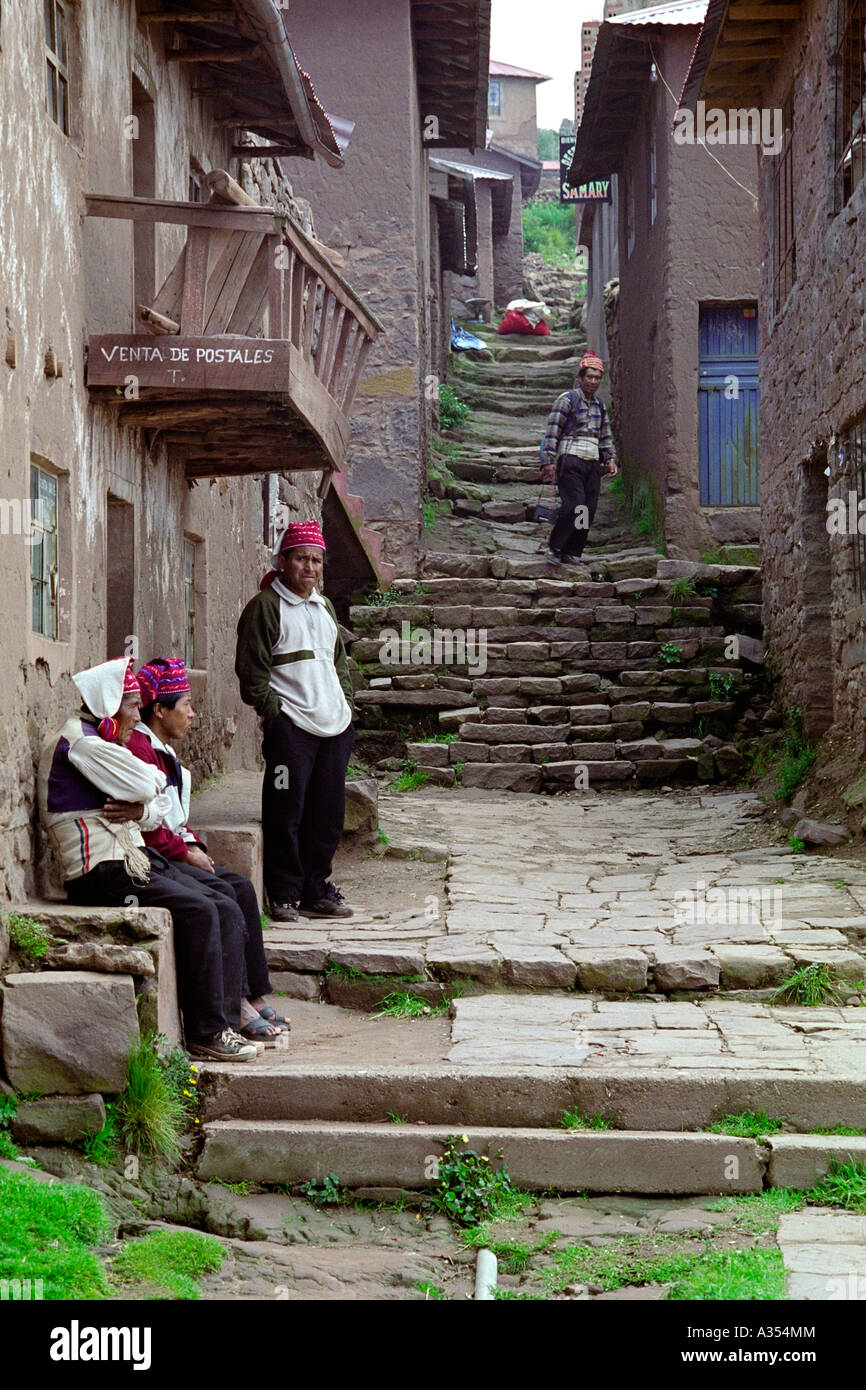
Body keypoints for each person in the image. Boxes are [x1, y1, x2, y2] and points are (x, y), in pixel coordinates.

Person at [37, 656, 258, 1063]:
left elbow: (154, 805)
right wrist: (146, 790)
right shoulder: (84, 744)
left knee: (223, 902)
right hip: (99, 872)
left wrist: (140, 807)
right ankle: (205, 1031)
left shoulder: (104, 741)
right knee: (199, 909)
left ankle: (224, 1024)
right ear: (109, 705)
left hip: (128, 857)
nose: (137, 716)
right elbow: (146, 782)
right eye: (131, 706)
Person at [127, 657, 288, 1048]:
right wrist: (186, 853)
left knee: (243, 889)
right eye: (186, 706)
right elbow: (151, 827)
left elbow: (177, 817)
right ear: (160, 710)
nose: (193, 714)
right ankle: (232, 1008)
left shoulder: (167, 754)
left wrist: (194, 843)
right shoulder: (139, 750)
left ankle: (251, 993)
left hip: (178, 849)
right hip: (158, 856)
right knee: (224, 900)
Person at [235, 520, 356, 924]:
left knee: (328, 813)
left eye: (316, 560)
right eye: (301, 558)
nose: (310, 567)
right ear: (283, 561)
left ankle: (315, 889)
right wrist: (277, 716)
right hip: (292, 728)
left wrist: (348, 705)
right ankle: (284, 893)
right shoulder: (266, 608)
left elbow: (338, 663)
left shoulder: (324, 606)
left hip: (334, 727)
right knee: (287, 809)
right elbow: (252, 674)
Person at [539, 350, 618, 566]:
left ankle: (573, 550)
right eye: (589, 377)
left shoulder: (600, 406)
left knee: (587, 509)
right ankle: (555, 547)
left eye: (597, 378)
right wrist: (548, 461)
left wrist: (609, 458)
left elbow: (605, 435)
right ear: (580, 378)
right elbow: (553, 430)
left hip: (592, 461)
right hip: (570, 459)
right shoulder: (567, 401)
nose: (593, 381)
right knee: (574, 505)